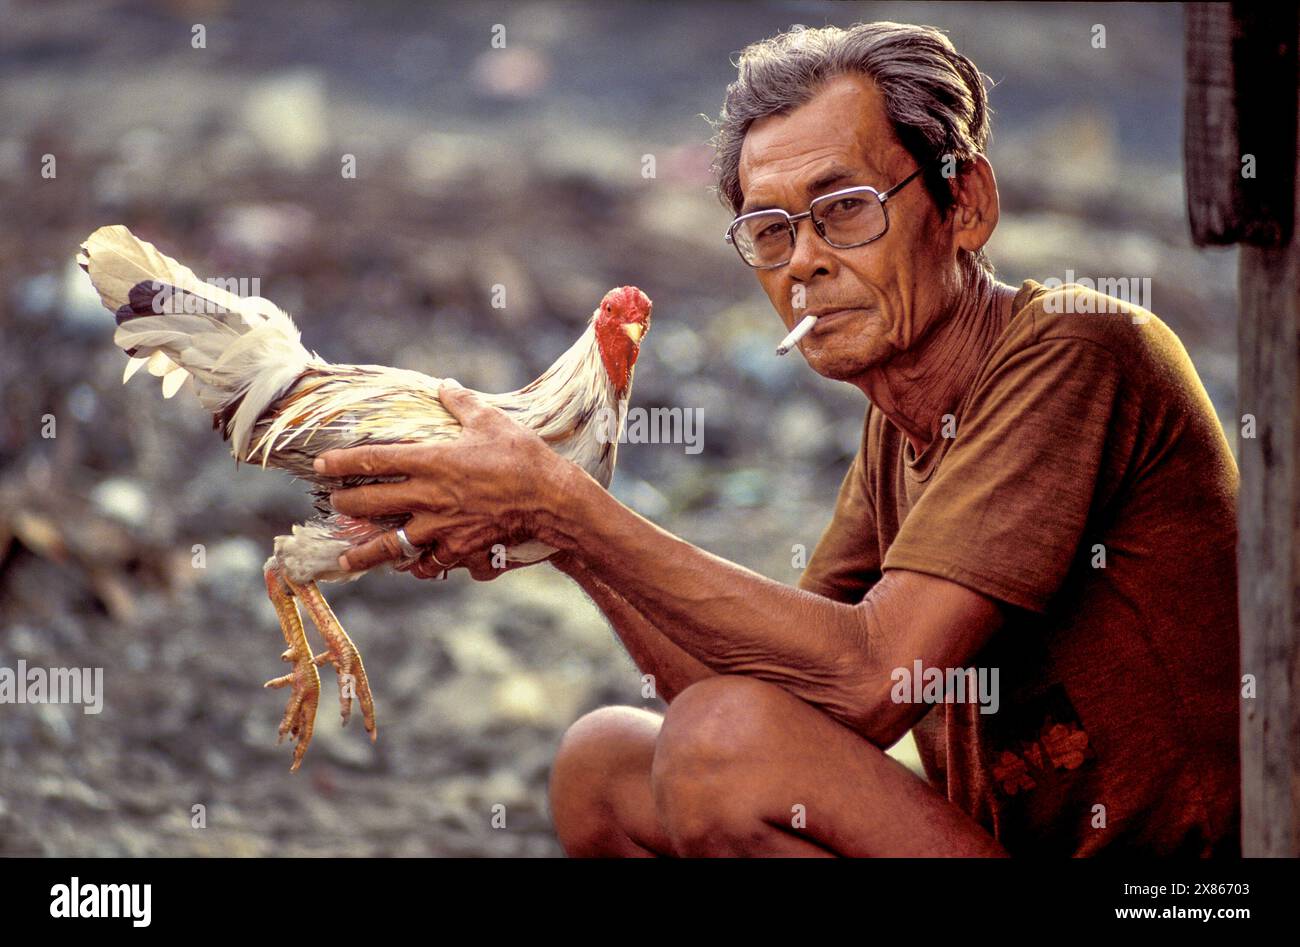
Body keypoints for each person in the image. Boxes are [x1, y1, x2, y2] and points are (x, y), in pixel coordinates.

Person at [312, 22, 1239, 857]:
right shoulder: (900, 426)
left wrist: (570, 508)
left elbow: (870, 681)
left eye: (846, 208)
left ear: (965, 204)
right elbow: (775, 697)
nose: (803, 261)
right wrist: (556, 532)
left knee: (720, 750)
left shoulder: (1079, 349)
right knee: (603, 765)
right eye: (769, 229)